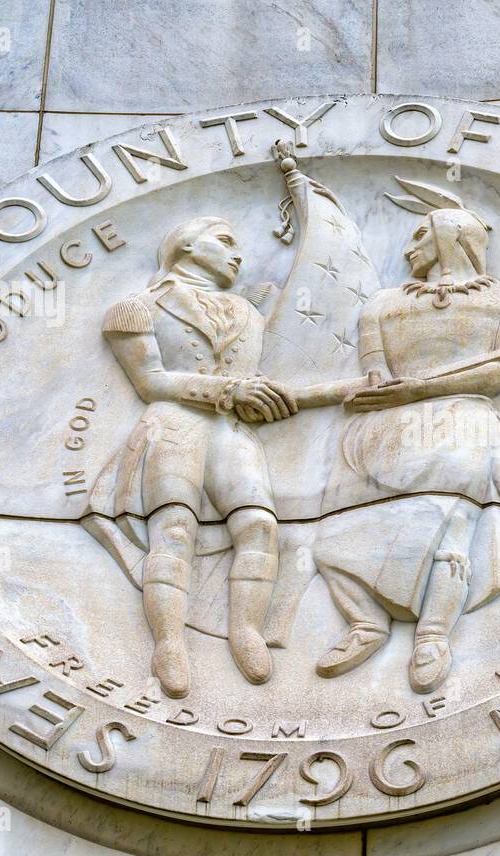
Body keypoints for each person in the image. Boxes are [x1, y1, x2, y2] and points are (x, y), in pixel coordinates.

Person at [313, 179, 500, 694]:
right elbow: (375, 374)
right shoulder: (383, 304)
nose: (407, 248)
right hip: (382, 429)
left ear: (448, 237)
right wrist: (382, 391)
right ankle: (365, 623)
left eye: (420, 234)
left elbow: (496, 376)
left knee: (448, 529)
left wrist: (415, 389)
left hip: (464, 420)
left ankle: (433, 636)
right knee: (331, 537)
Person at [90, 216, 298, 698]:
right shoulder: (136, 307)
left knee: (260, 527)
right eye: (225, 241)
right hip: (174, 424)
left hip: (232, 430)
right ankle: (169, 643)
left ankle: (245, 629)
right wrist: (230, 390)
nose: (238, 254)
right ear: (185, 243)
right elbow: (151, 382)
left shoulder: (250, 313)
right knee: (175, 530)